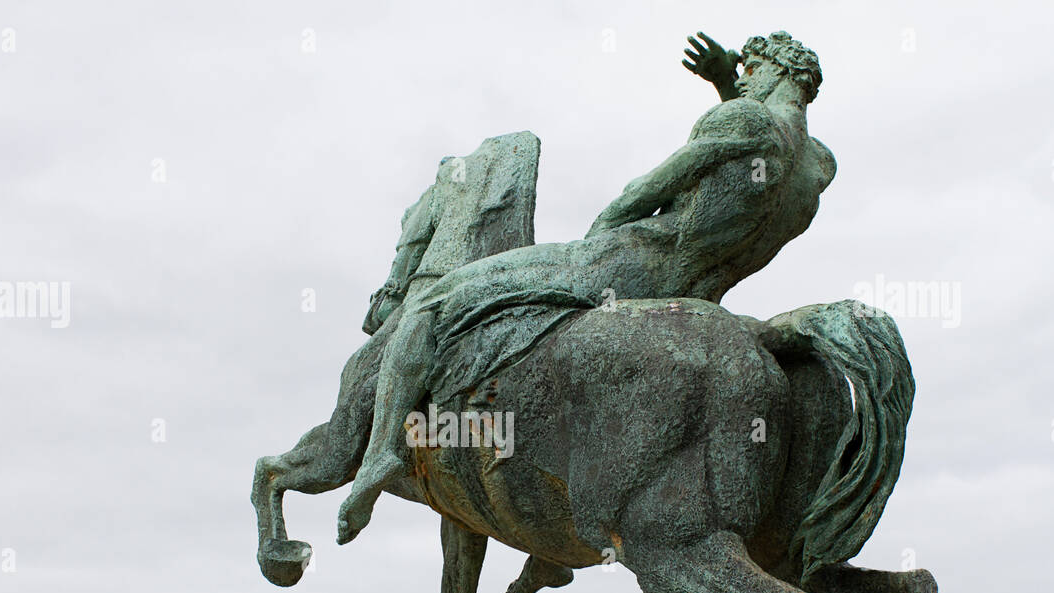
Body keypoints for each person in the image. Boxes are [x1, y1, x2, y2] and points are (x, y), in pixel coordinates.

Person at [338, 31, 835, 544]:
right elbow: (758, 163)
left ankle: (380, 453)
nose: (742, 76)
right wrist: (728, 83)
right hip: (698, 295)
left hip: (631, 264)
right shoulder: (817, 168)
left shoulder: (740, 120)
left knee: (434, 302)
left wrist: (597, 239)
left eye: (750, 68)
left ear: (775, 69)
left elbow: (647, 190)